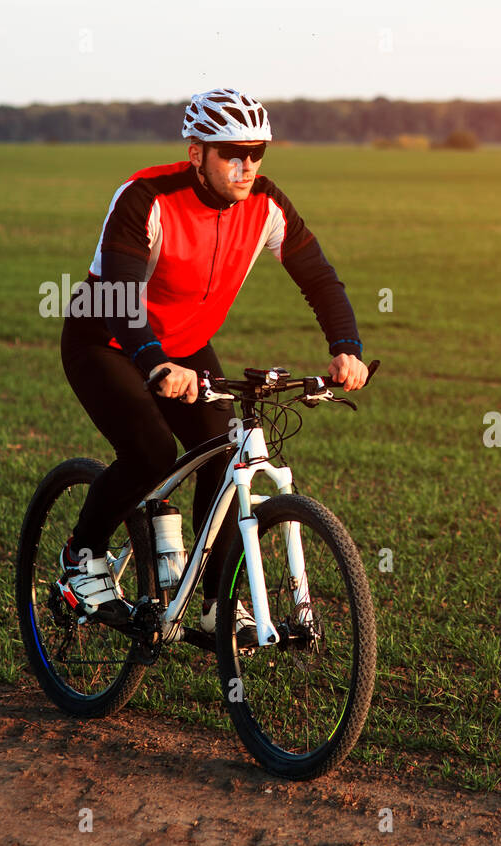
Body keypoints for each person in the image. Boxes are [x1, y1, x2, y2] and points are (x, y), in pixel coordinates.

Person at [57, 88, 368, 642]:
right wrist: (155, 364)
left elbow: (319, 277)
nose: (247, 165)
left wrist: (346, 346)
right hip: (104, 338)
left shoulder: (266, 204)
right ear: (197, 152)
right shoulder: (146, 197)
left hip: (185, 345)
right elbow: (122, 295)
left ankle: (211, 609)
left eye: (257, 152)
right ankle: (83, 558)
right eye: (232, 153)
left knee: (224, 459)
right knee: (151, 450)